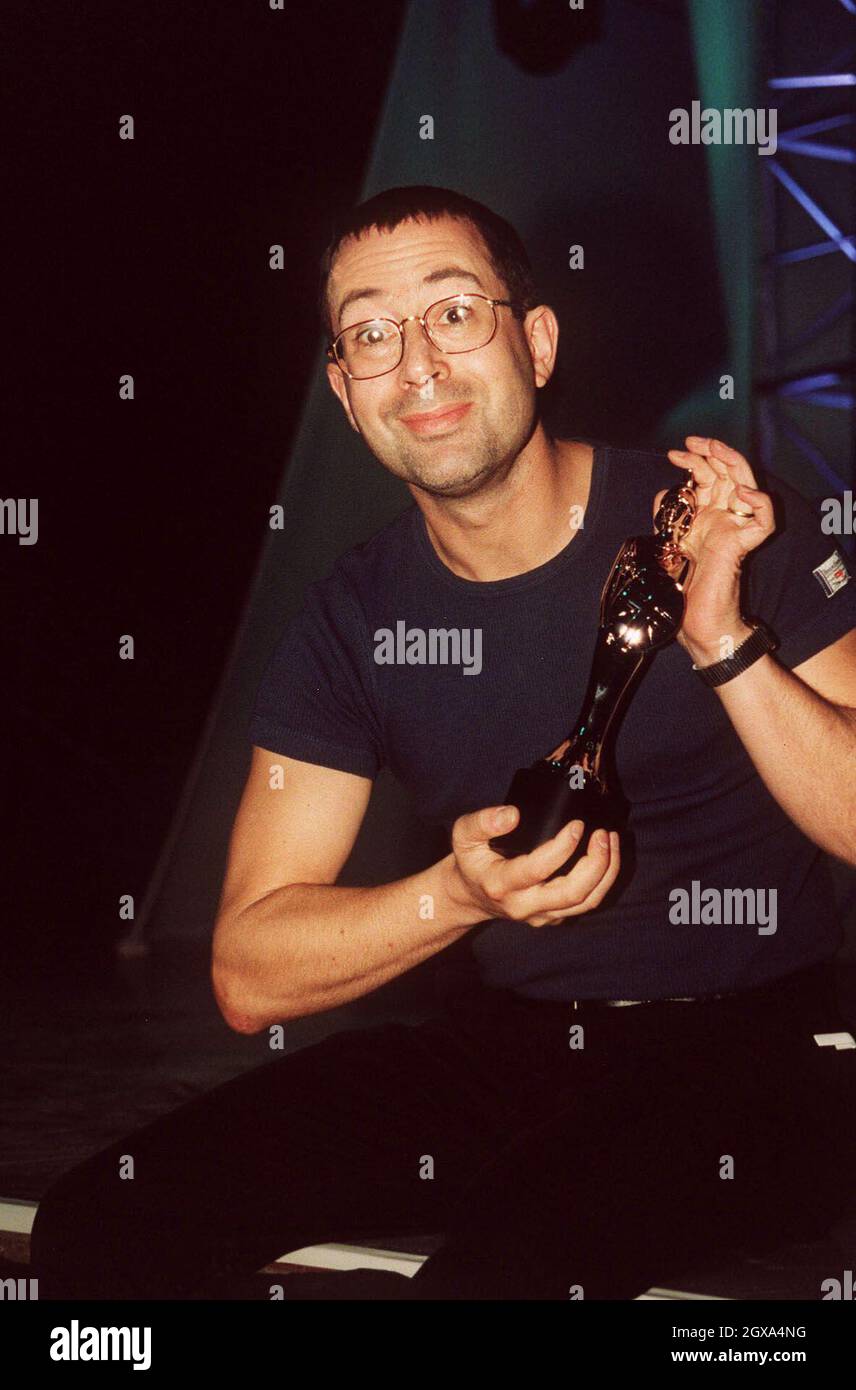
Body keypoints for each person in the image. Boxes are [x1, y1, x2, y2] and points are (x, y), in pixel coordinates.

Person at [31, 186, 856, 1301]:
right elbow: (247, 969)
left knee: (497, 1282)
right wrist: (457, 896)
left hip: (778, 1042)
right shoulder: (355, 615)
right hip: (521, 1042)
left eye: (455, 312)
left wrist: (723, 640)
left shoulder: (719, 523)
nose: (415, 361)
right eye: (371, 334)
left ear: (538, 340)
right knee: (103, 1228)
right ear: (344, 391)